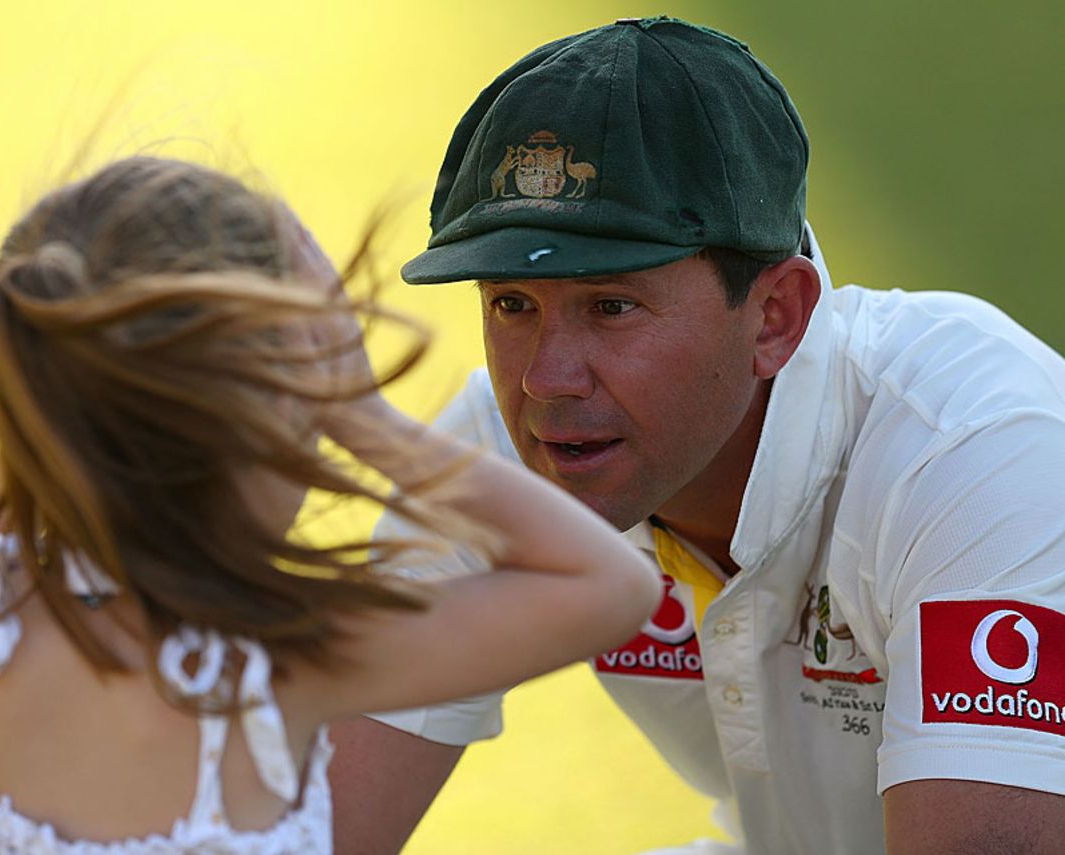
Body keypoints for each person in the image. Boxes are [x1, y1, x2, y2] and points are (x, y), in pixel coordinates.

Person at [326, 16, 1065, 855]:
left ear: (776, 316)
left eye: (611, 306)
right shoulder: (499, 453)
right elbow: (308, 834)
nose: (545, 379)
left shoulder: (972, 449)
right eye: (512, 304)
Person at [0, 156, 662, 853]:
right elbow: (611, 583)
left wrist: (65, 408)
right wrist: (363, 415)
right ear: (273, 420)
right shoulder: (277, 654)